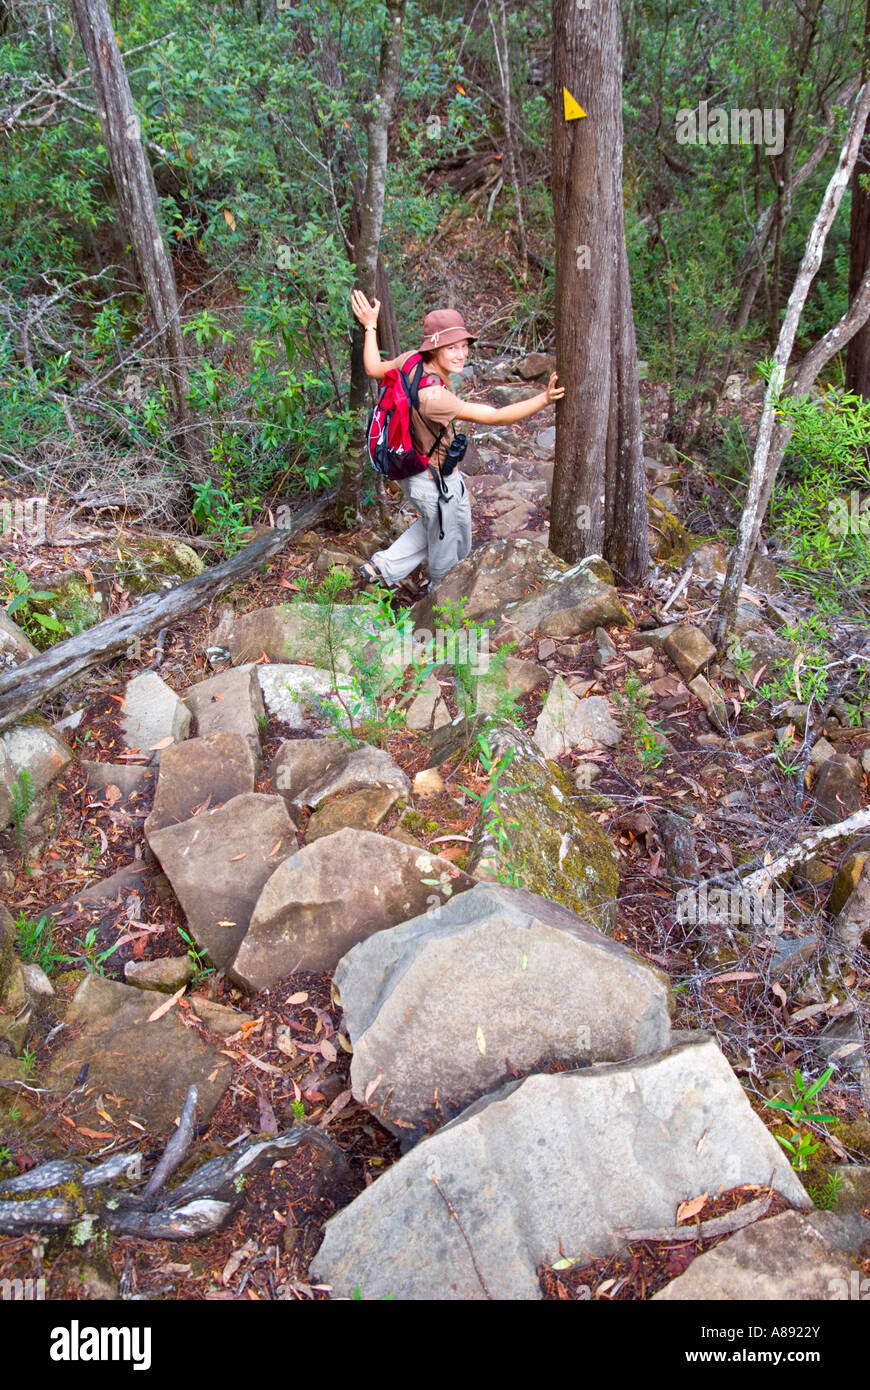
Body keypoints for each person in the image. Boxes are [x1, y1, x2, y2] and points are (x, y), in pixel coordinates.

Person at [350, 291, 565, 593]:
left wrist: (370, 326)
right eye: (452, 348)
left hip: (415, 468)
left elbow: (373, 368)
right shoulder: (435, 398)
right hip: (432, 479)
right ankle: (440, 594)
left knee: (438, 524)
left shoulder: (410, 360)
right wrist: (543, 398)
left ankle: (381, 568)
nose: (461, 354)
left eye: (463, 346)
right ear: (435, 349)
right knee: (446, 537)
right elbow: (497, 416)